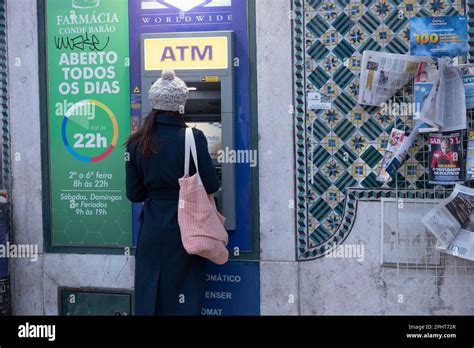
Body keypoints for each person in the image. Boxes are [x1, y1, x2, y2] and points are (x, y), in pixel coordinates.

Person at [125, 69, 220, 316]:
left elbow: (134, 194)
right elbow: (211, 185)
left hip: (152, 226)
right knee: (183, 293)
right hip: (186, 226)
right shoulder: (192, 137)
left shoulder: (135, 142)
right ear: (180, 105)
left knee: (150, 290)